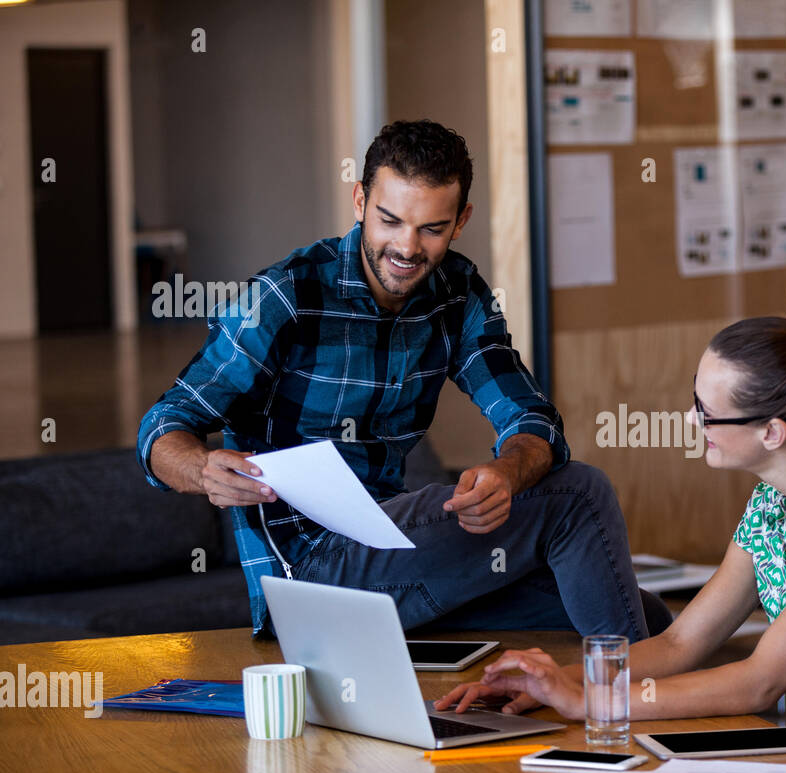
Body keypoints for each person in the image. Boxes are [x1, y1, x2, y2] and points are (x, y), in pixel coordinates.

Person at [137, 120, 661, 642]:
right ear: (361, 202)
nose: (407, 248)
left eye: (432, 228)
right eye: (391, 221)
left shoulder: (457, 294)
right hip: (309, 577)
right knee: (581, 495)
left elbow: (529, 416)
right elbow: (164, 425)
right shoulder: (286, 297)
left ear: (461, 221)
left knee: (643, 611)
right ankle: (633, 707)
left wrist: (509, 472)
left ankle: (599, 700)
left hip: (394, 551)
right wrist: (202, 468)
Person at [437, 307, 786, 723]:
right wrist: (549, 680)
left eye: (706, 412)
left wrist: (592, 704)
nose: (689, 421)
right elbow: (681, 643)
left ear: (772, 433)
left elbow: (760, 682)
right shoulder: (772, 501)